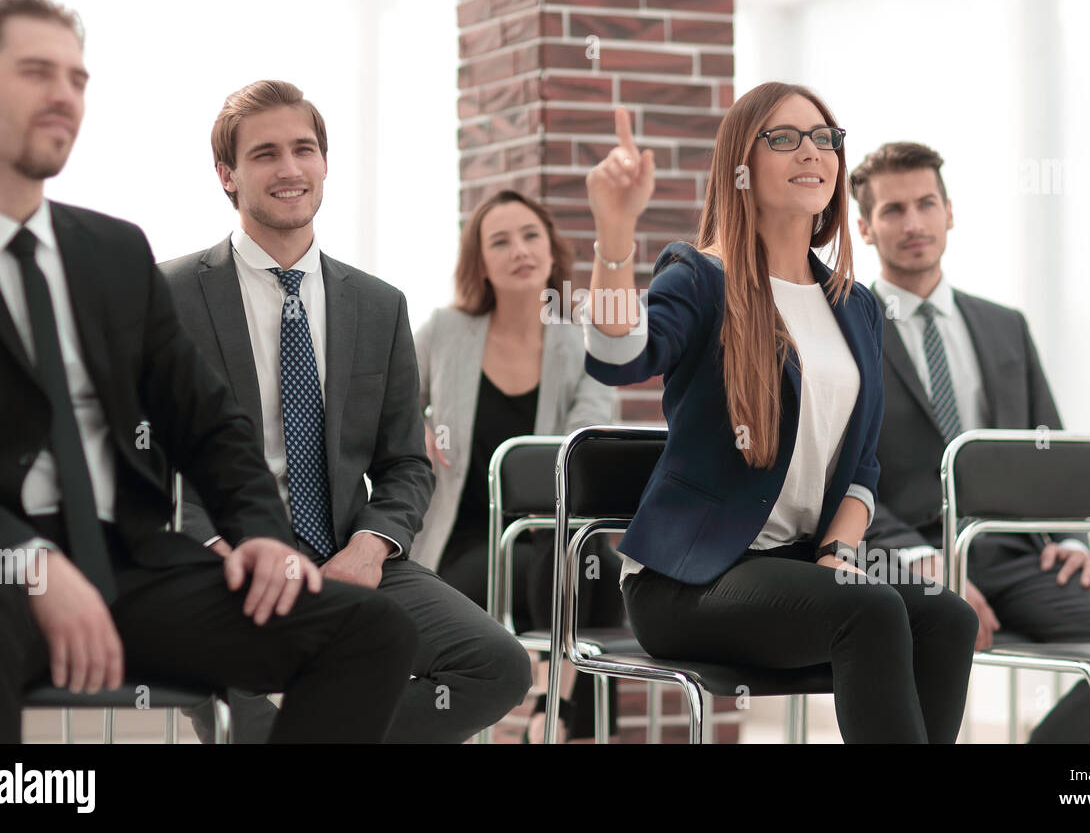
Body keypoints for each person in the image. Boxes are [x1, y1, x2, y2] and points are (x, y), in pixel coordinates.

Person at [0, 0, 416, 743]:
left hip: (129, 565)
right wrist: (29, 560)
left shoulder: (111, 253)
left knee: (370, 631)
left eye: (77, 77)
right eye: (37, 72)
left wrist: (259, 529)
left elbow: (205, 419)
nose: (64, 94)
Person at [580, 85, 980, 744]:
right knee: (872, 611)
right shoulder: (701, 276)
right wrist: (615, 229)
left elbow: (863, 468)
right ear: (742, 162)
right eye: (784, 137)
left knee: (947, 618)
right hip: (689, 581)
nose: (811, 151)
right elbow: (620, 356)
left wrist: (836, 552)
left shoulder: (855, 306)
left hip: (798, 571)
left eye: (823, 137)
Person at [159, 80, 531, 744]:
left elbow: (405, 464)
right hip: (221, 562)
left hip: (346, 558)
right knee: (250, 710)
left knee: (496, 666)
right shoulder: (168, 295)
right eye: (266, 154)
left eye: (304, 149)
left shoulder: (378, 305)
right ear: (227, 175)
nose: (290, 168)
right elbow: (143, 460)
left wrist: (368, 548)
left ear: (324, 164)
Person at [850, 140, 1090, 743]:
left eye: (926, 204)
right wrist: (923, 561)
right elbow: (837, 470)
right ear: (864, 227)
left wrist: (1071, 537)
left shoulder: (1004, 324)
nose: (914, 223)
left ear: (950, 212)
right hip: (898, 553)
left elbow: (1050, 449)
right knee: (921, 657)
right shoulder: (846, 325)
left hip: (1011, 554)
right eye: (892, 210)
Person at [413, 189, 619, 742]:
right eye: (499, 241)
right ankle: (551, 713)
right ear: (480, 262)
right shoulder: (444, 331)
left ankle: (546, 709)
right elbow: (385, 402)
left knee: (579, 560)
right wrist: (417, 423)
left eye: (530, 236)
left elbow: (590, 446)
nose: (519, 250)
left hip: (553, 536)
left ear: (551, 251)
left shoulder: (582, 342)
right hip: (465, 539)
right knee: (571, 578)